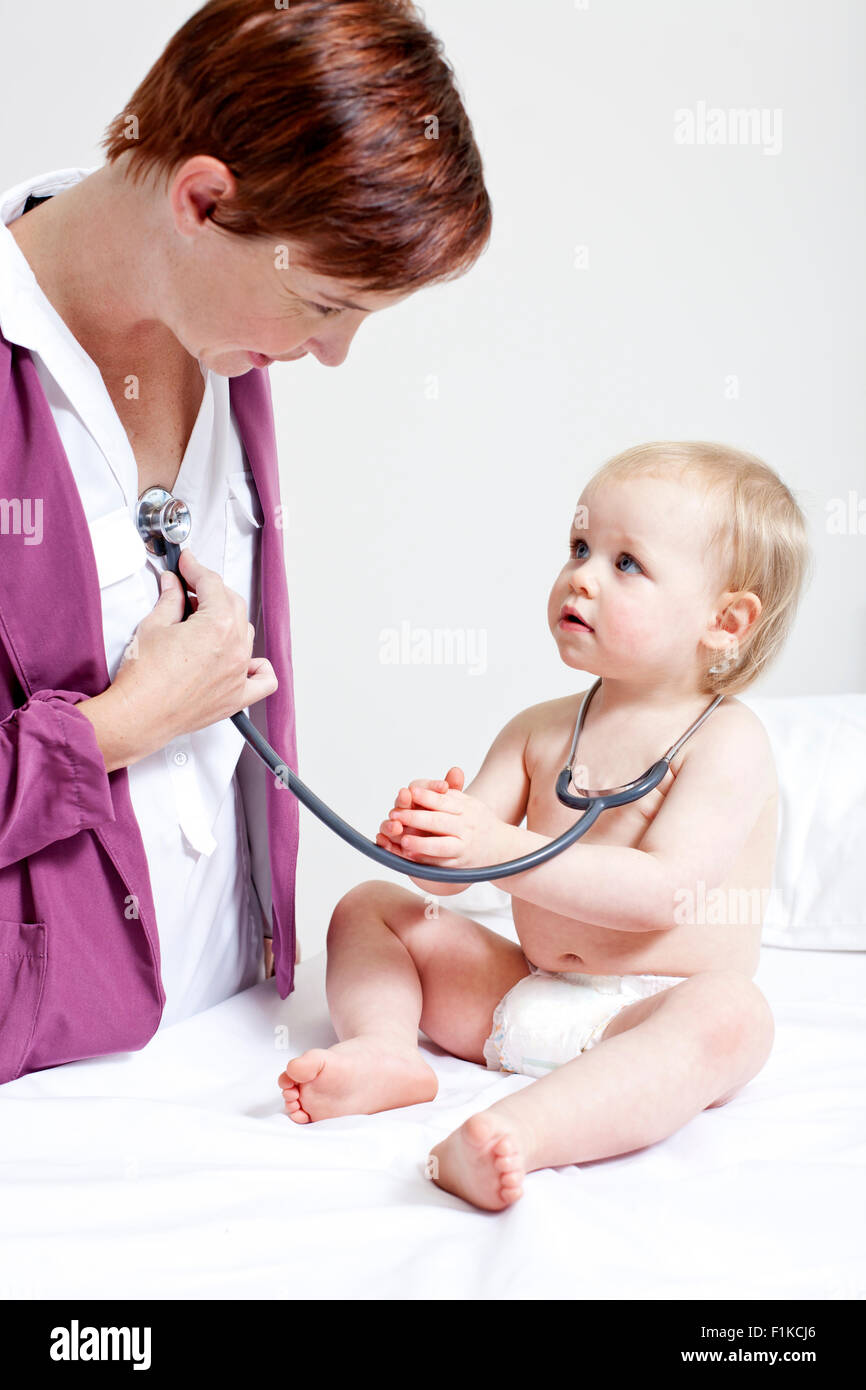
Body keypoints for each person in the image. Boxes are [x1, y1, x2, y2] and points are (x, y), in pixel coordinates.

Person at [0, 0, 491, 1082]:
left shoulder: (220, 341)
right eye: (323, 304)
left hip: (234, 1031)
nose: (332, 356)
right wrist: (117, 727)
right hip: (46, 1091)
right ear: (202, 198)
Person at [278, 441, 812, 1211]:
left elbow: (663, 893)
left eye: (627, 564)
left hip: (648, 1015)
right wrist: (430, 842)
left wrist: (499, 848)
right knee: (371, 908)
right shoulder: (538, 730)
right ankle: (387, 1053)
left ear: (725, 621)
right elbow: (462, 871)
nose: (583, 576)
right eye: (581, 547)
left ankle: (515, 1134)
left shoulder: (730, 741)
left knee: (733, 1016)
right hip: (522, 995)